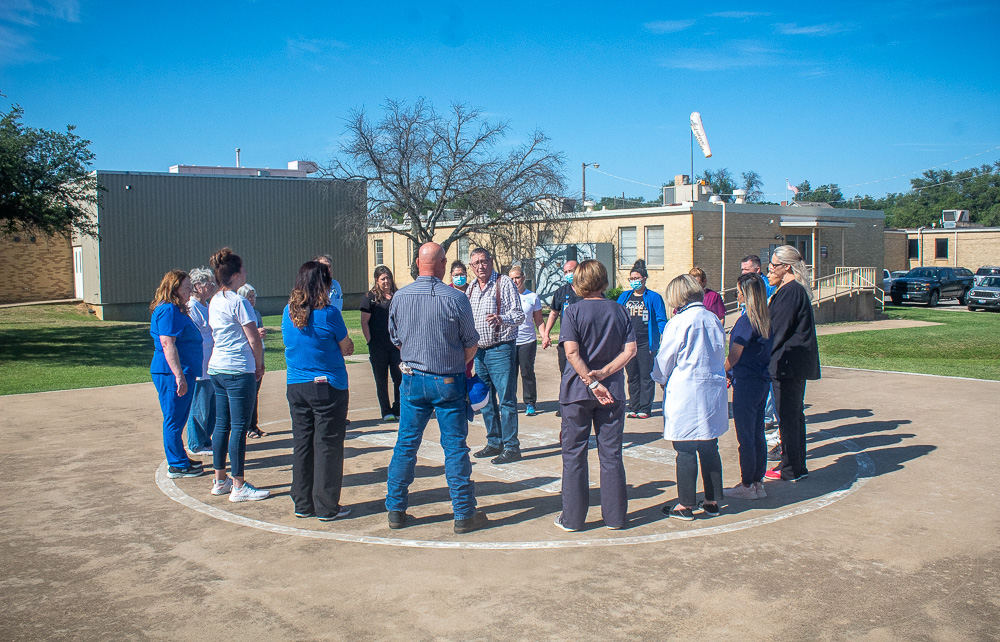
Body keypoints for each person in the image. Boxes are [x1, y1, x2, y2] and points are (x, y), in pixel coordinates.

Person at [385, 242, 488, 534]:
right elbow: (471, 342)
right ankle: (463, 513)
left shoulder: (400, 297)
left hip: (413, 377)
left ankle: (396, 509)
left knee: (406, 443)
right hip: (447, 379)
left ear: (418, 263)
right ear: (442, 264)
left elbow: (395, 338)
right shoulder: (455, 298)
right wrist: (455, 362)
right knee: (454, 447)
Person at [555, 260, 637, 531]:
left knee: (574, 454)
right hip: (611, 390)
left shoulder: (573, 311)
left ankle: (573, 518)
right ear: (603, 281)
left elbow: (571, 353)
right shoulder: (620, 310)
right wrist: (603, 375)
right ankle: (615, 517)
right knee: (611, 455)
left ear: (578, 283)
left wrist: (591, 381)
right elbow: (630, 351)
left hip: (578, 392)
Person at [282, 261, 355, 521]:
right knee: (327, 446)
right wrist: (345, 346)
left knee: (302, 443)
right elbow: (346, 346)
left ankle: (302, 502)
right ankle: (326, 505)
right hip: (326, 385)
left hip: (296, 385)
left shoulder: (287, 312)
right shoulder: (328, 313)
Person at [652, 274, 728, 520]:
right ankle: (713, 499)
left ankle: (685, 504)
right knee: (709, 445)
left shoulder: (679, 322)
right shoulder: (713, 319)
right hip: (712, 389)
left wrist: (660, 378)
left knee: (685, 448)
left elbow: (665, 359)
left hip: (686, 389)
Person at [207, 247, 269, 502]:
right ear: (234, 276)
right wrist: (259, 364)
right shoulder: (239, 301)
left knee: (222, 424)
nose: (245, 273)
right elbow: (254, 339)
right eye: (242, 270)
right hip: (237, 369)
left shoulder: (215, 300)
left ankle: (220, 480)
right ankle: (239, 485)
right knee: (239, 427)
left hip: (217, 368)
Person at [764, 245, 821, 483]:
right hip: (790, 364)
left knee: (788, 417)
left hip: (788, 365)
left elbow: (777, 330)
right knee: (792, 416)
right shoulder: (788, 291)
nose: (769, 272)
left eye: (773, 267)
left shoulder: (791, 292)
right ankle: (795, 465)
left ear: (786, 267)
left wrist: (762, 354)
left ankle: (791, 468)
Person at [467, 247, 525, 464]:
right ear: (471, 267)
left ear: (491, 261)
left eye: (483, 261)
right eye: (476, 263)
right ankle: (494, 442)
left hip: (501, 349)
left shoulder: (504, 283)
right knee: (484, 400)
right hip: (479, 352)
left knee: (506, 401)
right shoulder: (471, 288)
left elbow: (518, 315)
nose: (480, 266)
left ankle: (511, 446)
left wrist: (502, 319)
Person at [723, 273, 774, 500]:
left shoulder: (746, 320)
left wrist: (722, 370)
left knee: (746, 436)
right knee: (757, 433)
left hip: (747, 382)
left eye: (739, 291)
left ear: (747, 294)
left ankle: (747, 483)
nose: (737, 295)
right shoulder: (765, 318)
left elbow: (735, 354)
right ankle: (757, 482)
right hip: (762, 380)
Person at [150, 270, 204, 478]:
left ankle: (180, 457)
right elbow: (167, 343)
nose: (190, 289)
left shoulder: (176, 310)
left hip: (181, 371)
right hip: (170, 373)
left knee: (179, 417)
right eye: (187, 286)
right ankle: (177, 464)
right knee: (173, 418)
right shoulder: (168, 310)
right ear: (175, 288)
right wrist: (179, 376)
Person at [616, 259, 667, 419]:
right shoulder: (625, 297)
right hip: (628, 343)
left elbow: (661, 320)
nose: (634, 282)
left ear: (644, 278)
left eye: (637, 278)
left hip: (646, 343)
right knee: (632, 376)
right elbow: (616, 317)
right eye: (631, 279)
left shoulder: (653, 297)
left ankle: (645, 408)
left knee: (646, 376)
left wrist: (664, 338)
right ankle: (633, 406)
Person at [741, 254, 779, 451]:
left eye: (747, 270)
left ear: (757, 269)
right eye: (742, 270)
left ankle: (770, 420)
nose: (744, 273)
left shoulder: (766, 286)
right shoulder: (746, 288)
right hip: (751, 343)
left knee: (768, 384)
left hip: (761, 344)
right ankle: (764, 417)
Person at [360, 265, 402, 421]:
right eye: (383, 279)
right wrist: (369, 341)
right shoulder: (369, 297)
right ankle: (386, 411)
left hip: (396, 345)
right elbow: (364, 322)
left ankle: (398, 408)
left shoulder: (398, 295)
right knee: (381, 379)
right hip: (378, 345)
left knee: (399, 377)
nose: (386, 281)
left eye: (388, 278)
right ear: (377, 281)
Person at [542, 259, 582, 417]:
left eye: (571, 271)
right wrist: (546, 334)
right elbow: (553, 313)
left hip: (583, 340)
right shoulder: (560, 292)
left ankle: (581, 404)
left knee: (583, 373)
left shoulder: (587, 290)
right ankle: (565, 404)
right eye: (565, 272)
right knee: (565, 374)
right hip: (565, 340)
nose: (568, 274)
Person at [185, 267, 216, 456]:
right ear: (198, 286)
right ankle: (195, 443)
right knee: (199, 406)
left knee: (211, 407)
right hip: (200, 366)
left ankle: (206, 439)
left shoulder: (208, 306)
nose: (212, 287)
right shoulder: (192, 308)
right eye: (209, 283)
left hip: (212, 366)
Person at [509, 266, 544, 416]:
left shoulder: (533, 297)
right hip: (509, 341)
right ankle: (510, 403)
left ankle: (530, 403)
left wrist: (545, 336)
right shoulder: (505, 296)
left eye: (517, 277)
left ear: (523, 278)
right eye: (511, 278)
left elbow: (539, 320)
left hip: (527, 341)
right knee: (509, 374)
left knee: (527, 372)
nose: (514, 281)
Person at [237, 283, 269, 439]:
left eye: (253, 296)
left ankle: (253, 425)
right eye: (249, 296)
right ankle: (247, 427)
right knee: (247, 394)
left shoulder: (256, 313)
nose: (252, 299)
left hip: (258, 352)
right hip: (247, 355)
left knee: (255, 393)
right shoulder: (240, 312)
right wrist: (255, 333)